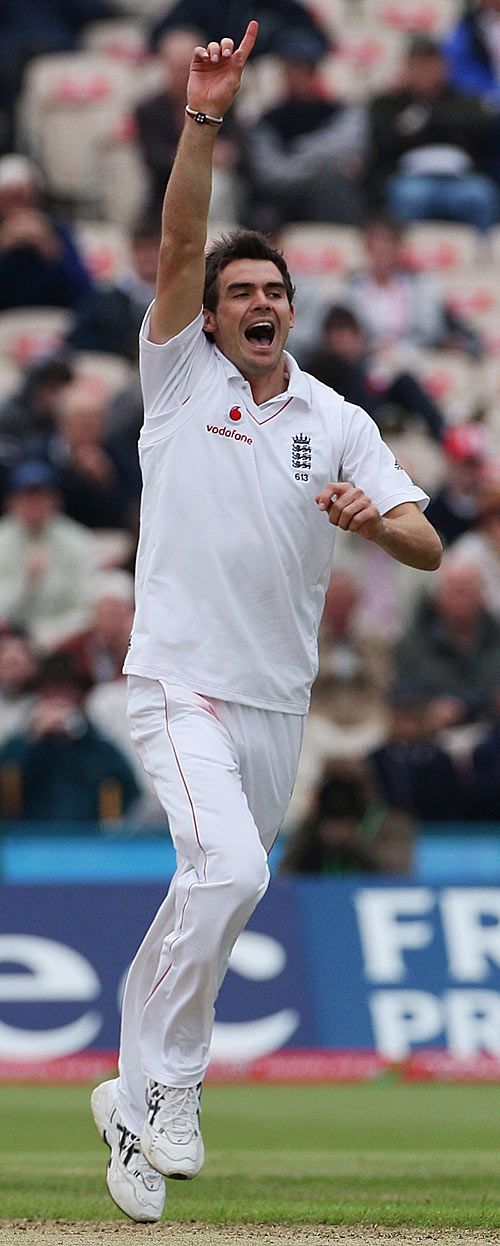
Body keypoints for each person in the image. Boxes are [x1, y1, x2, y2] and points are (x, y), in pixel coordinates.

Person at [90, 22, 442, 1225]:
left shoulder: (335, 420)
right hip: (178, 678)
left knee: (220, 885)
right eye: (236, 291)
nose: (255, 303)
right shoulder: (176, 376)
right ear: (206, 310)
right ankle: (172, 1086)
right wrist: (204, 114)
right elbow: (183, 234)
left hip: (275, 702)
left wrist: (369, 520)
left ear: (291, 308)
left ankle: (130, 1096)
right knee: (230, 867)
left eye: (271, 291)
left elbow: (423, 538)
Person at [366, 34, 499, 233]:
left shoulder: (465, 102)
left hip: (461, 180)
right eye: (418, 65)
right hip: (410, 180)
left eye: (431, 64)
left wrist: (429, 116)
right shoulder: (387, 104)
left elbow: (479, 131)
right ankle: (408, 258)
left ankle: (485, 258)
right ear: (407, 69)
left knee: (481, 195)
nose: (425, 73)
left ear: (445, 67)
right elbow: (385, 142)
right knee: (409, 197)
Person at [246, 33, 367, 230]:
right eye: (291, 70)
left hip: (325, 196)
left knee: (337, 188)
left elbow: (352, 147)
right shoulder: (269, 120)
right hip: (284, 200)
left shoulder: (338, 111)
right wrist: (321, 165)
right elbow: (270, 173)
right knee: (263, 214)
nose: (297, 77)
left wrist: (300, 152)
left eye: (304, 70)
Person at [0, 652, 140, 821]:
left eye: (64, 691)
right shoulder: (20, 744)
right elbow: (8, 786)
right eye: (50, 693)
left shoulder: (98, 746)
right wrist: (32, 739)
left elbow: (127, 788)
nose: (57, 700)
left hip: (87, 838)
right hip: (31, 837)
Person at [303, 304, 446, 442]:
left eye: (350, 336)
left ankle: (443, 434)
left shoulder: (367, 361)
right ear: (328, 340)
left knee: (405, 381)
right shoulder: (317, 368)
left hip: (374, 406)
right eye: (339, 337)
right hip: (344, 419)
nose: (345, 343)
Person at [0, 459, 96, 649]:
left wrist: (49, 633)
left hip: (63, 637)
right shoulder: (2, 540)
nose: (34, 505)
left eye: (41, 497)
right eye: (27, 498)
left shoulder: (76, 540)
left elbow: (88, 603)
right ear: (12, 501)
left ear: (55, 500)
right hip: (10, 638)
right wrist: (27, 580)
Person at [280, 757, 414, 874]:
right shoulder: (314, 823)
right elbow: (285, 874)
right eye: (335, 783)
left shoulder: (393, 822)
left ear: (370, 785)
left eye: (351, 784)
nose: (341, 794)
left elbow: (399, 875)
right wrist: (313, 828)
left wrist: (356, 844)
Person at [0, 155, 92, 310]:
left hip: (55, 319)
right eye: (9, 199)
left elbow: (84, 293)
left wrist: (48, 247)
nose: (17, 208)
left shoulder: (57, 230)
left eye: (21, 198)